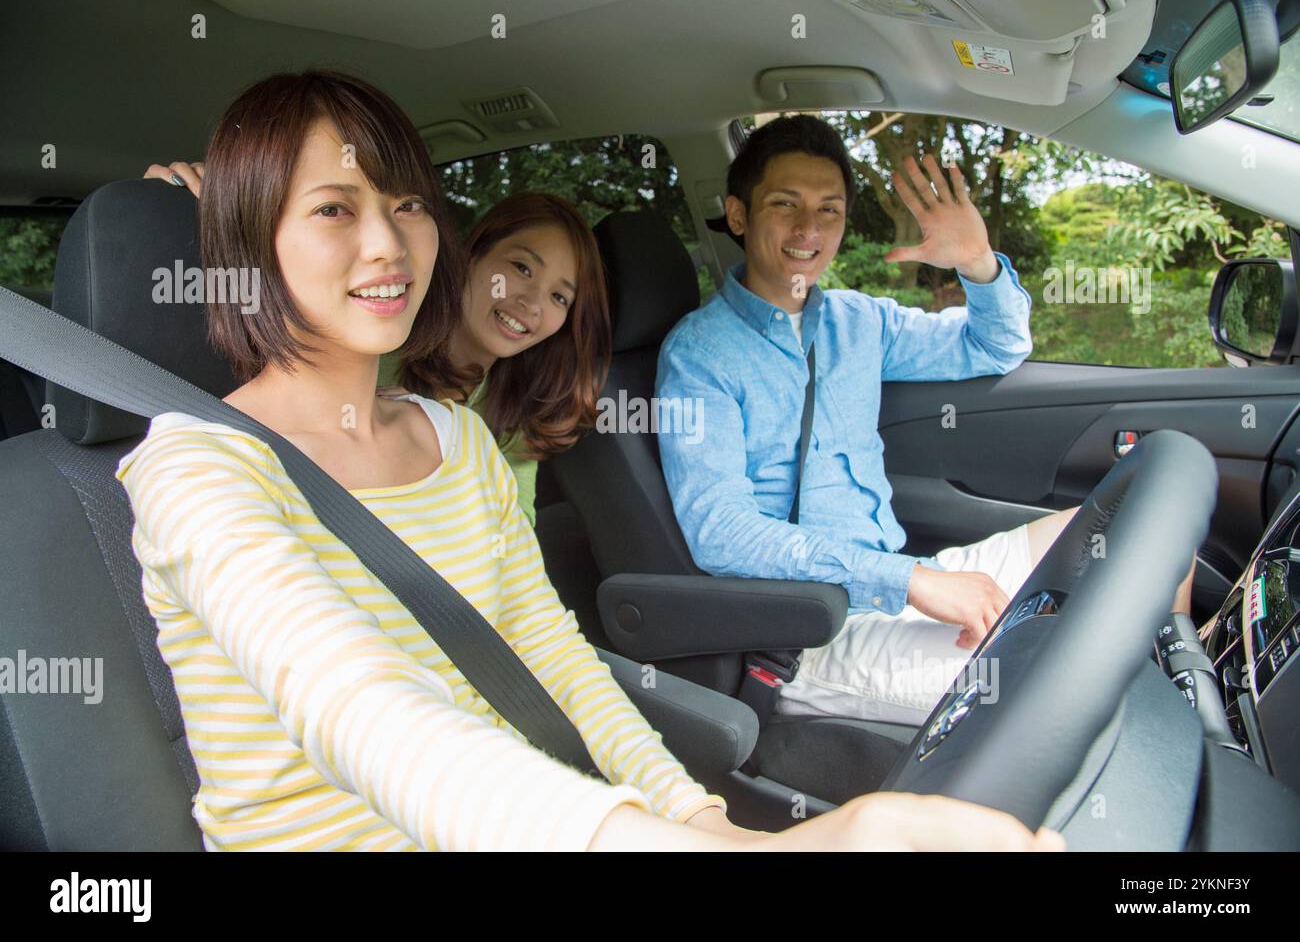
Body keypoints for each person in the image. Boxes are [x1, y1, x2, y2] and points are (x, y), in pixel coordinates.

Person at [122, 69, 1065, 850]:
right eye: (333, 209)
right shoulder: (198, 469)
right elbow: (363, 715)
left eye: (406, 203)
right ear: (250, 240)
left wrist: (711, 820)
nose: (386, 240)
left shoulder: (456, 441)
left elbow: (555, 658)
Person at [656, 114, 1195, 727]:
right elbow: (721, 532)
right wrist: (909, 580)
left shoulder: (857, 322)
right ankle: (1166, 753)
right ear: (738, 214)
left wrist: (977, 262)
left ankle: (1194, 708)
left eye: (829, 210)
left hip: (908, 583)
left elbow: (994, 347)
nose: (808, 228)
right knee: (1081, 683)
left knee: (1152, 521)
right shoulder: (698, 355)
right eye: (785, 204)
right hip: (817, 629)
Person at [146, 165, 610, 527]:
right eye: (522, 269)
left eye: (559, 297)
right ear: (471, 256)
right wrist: (213, 206)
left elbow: (515, 536)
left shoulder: (515, 403)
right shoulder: (370, 332)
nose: (531, 303)